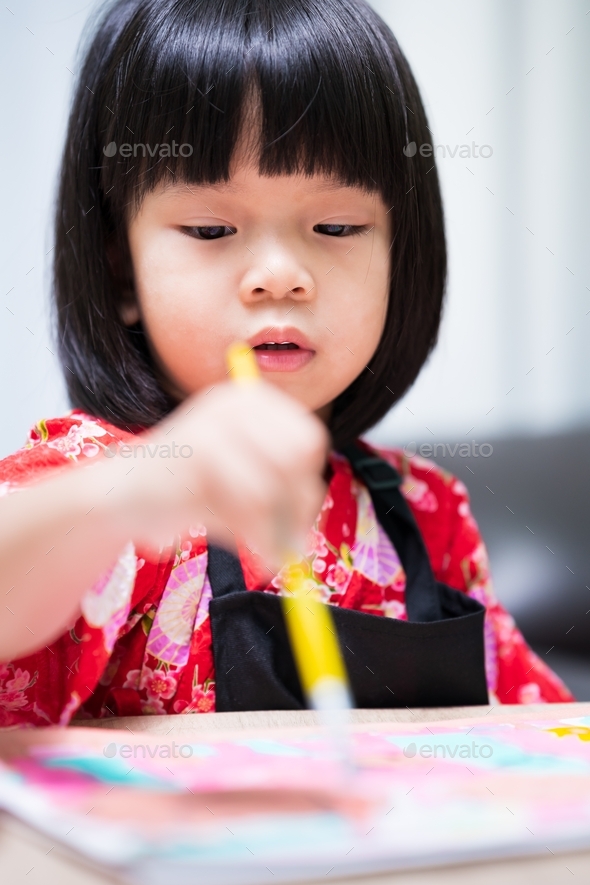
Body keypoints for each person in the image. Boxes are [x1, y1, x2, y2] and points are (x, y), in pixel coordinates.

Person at [0, 0, 573, 726]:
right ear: (121, 271)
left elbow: (543, 736)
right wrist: (122, 495)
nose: (279, 276)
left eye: (336, 225)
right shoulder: (103, 484)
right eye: (211, 228)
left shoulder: (426, 511)